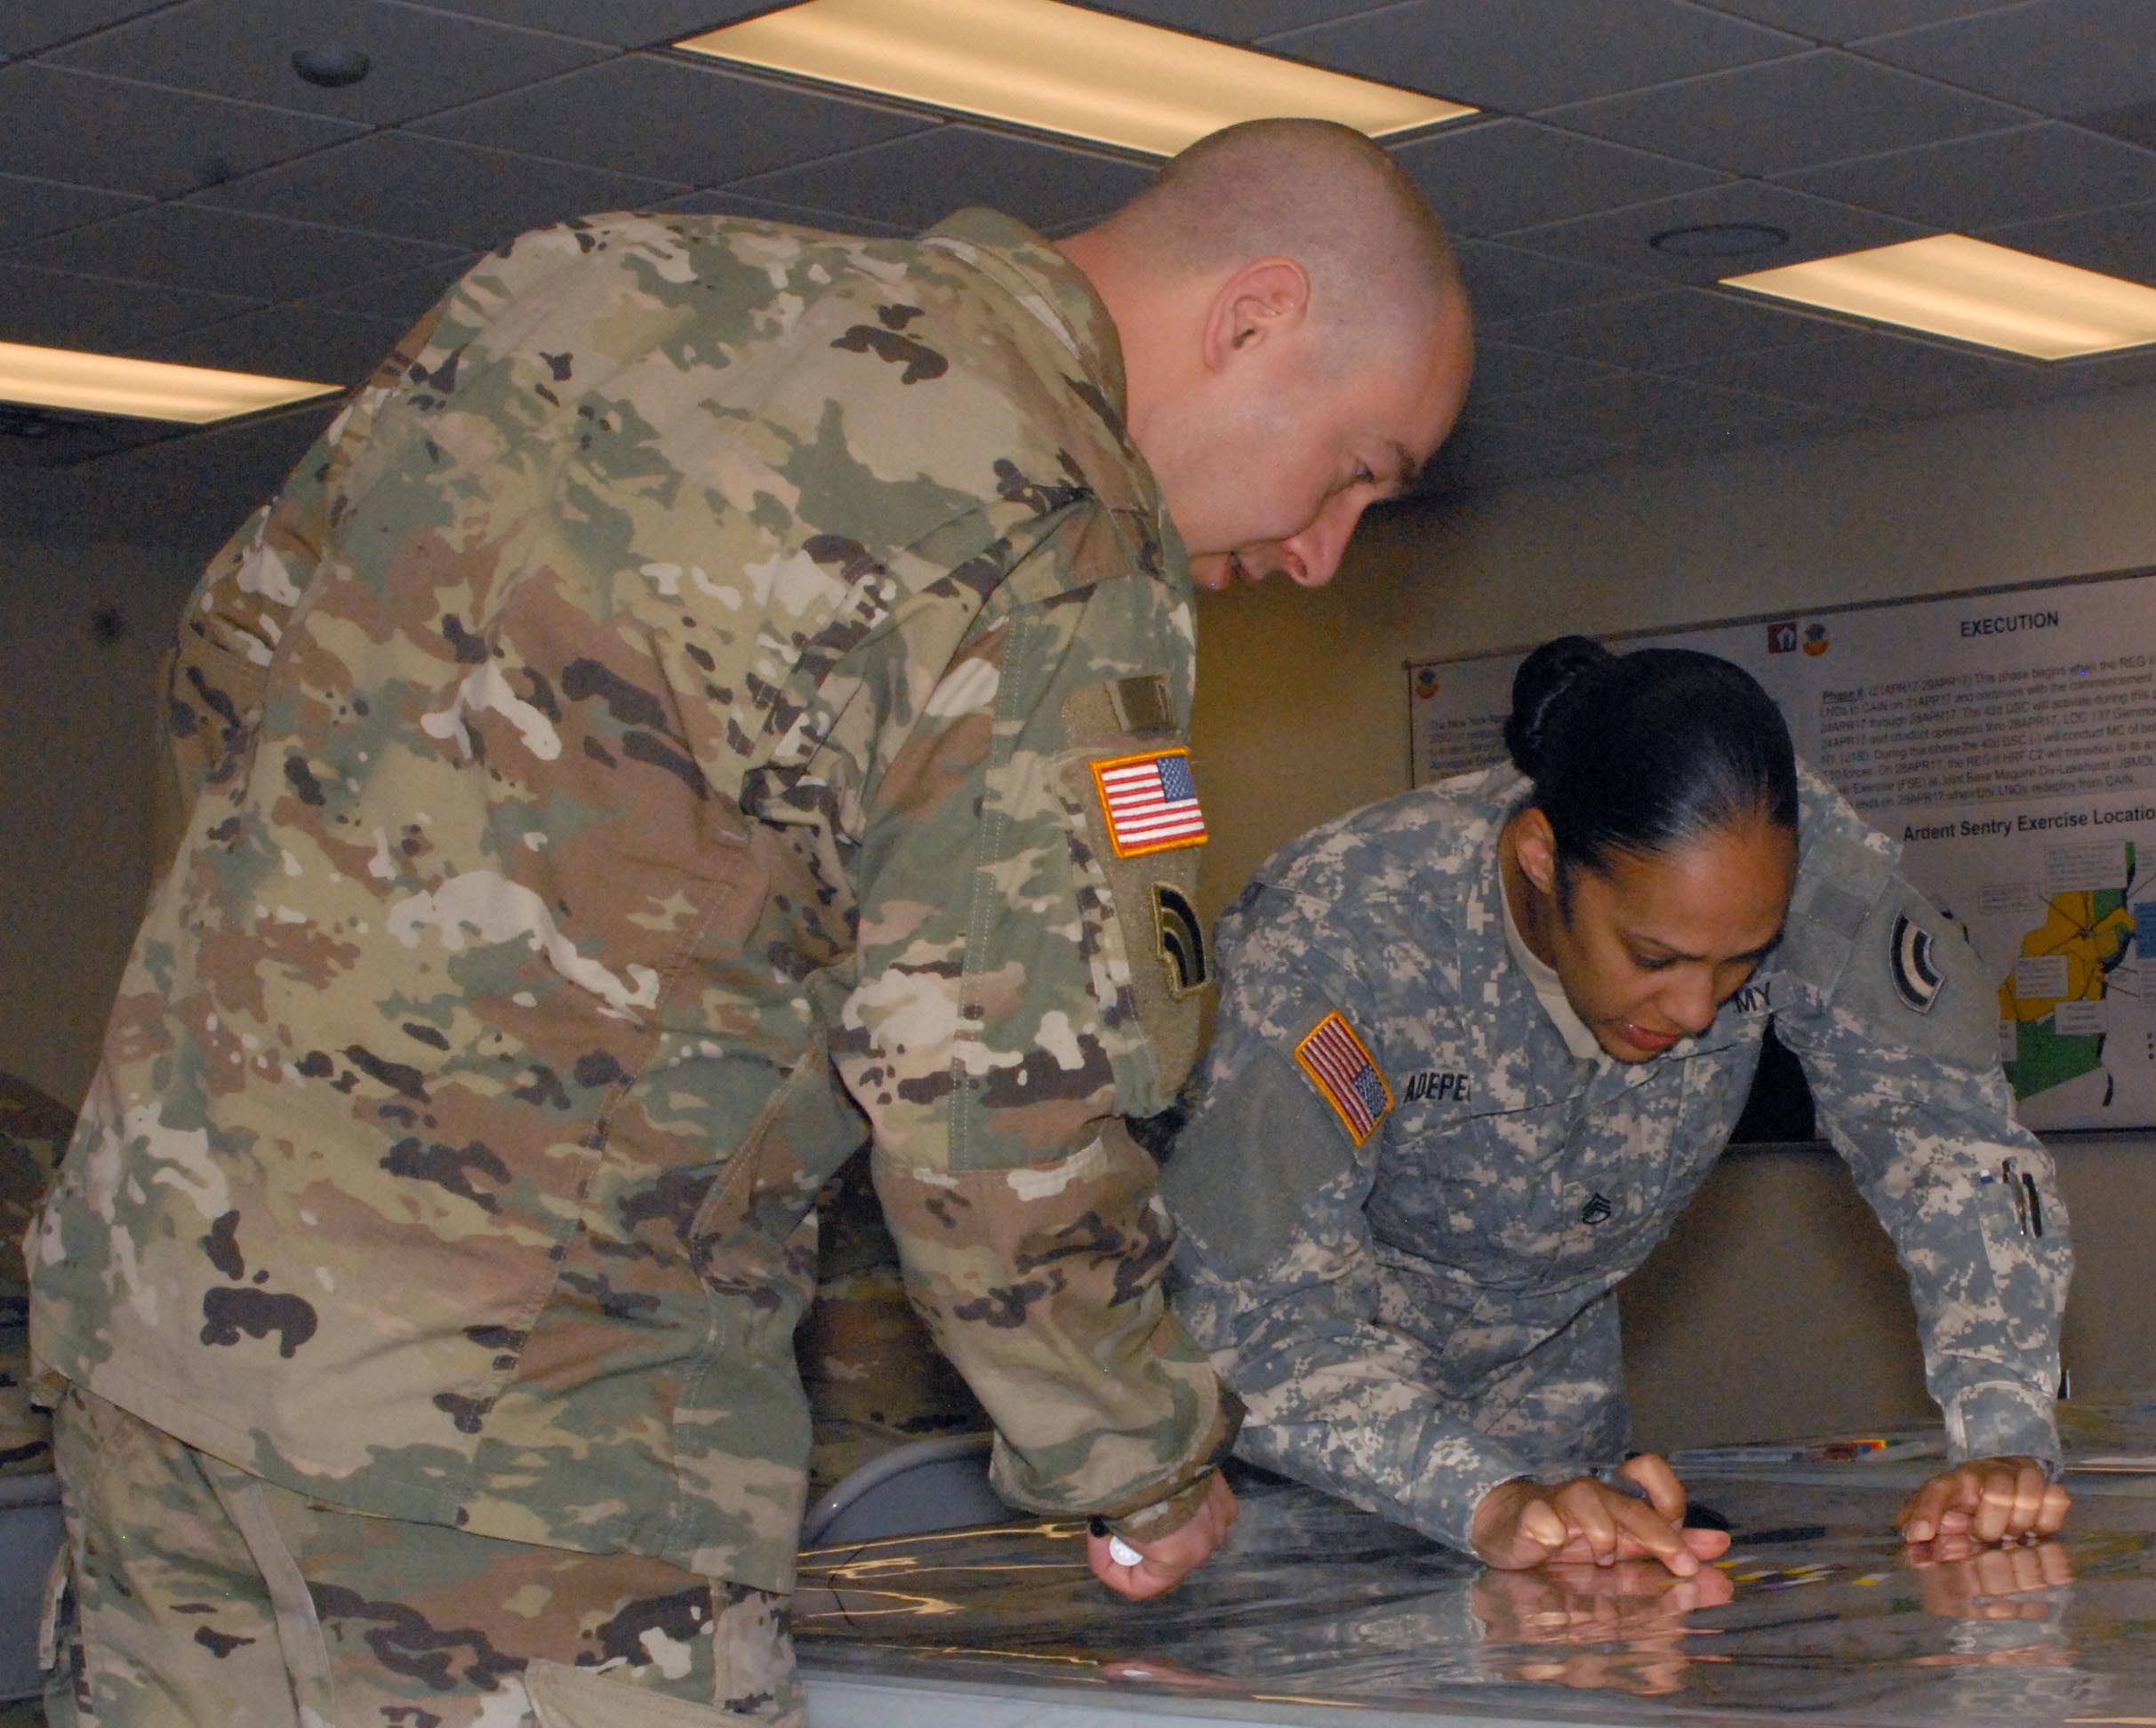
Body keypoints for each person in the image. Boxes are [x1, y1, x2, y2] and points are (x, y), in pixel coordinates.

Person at [29, 117, 1471, 1727]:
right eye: (1355, 471)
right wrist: (1136, 1452)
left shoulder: (583, 278)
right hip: (523, 1449)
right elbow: (1000, 1101)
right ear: (1252, 316)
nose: (1319, 550)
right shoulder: (1046, 519)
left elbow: (237, 660)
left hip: (156, 1342)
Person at [1158, 636, 2072, 1577]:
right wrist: (1486, 1497)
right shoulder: (1345, 928)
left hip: (1560, 1438)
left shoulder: (1794, 862)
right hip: (1298, 1453)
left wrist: (2000, 1439)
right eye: (1655, 959)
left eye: (1741, 963)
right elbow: (1247, 1309)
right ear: (1544, 856)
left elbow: (1950, 1142)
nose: (1695, 1010)